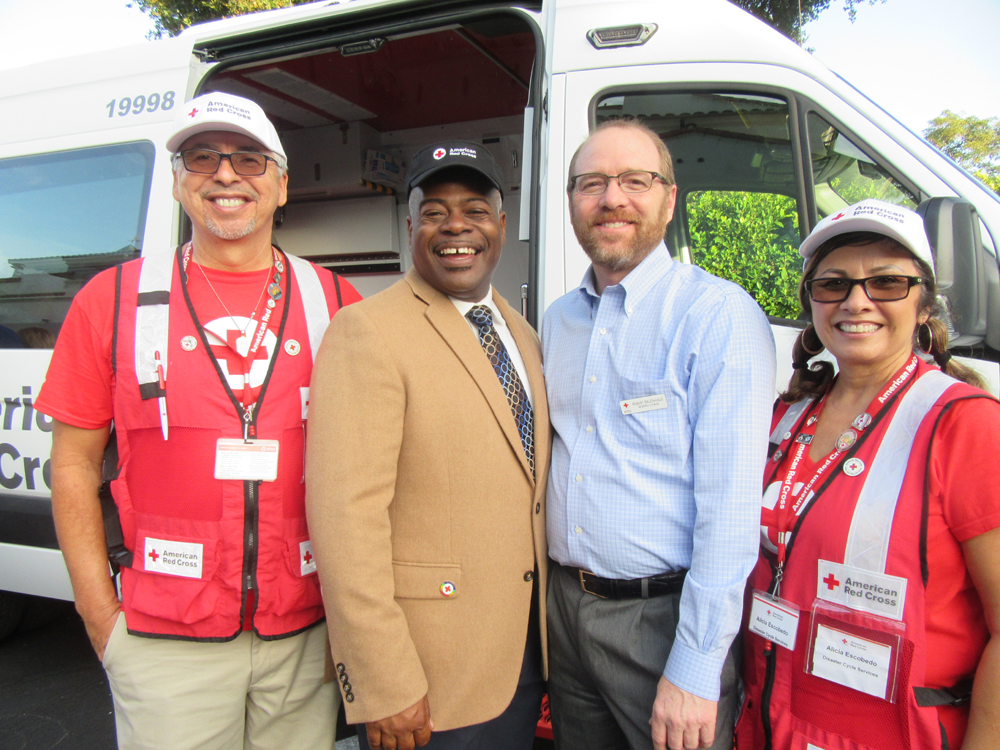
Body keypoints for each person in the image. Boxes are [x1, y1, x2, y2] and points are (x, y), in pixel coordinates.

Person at [36, 91, 362, 750]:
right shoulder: (114, 300)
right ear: (181, 182)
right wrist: (97, 612)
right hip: (165, 639)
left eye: (248, 159)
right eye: (202, 158)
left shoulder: (334, 301)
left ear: (281, 185)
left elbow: (370, 469)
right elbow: (70, 466)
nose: (225, 175)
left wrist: (355, 623)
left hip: (302, 635)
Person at [542, 117, 776, 750]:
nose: (611, 198)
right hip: (565, 611)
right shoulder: (558, 321)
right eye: (591, 183)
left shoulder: (718, 316)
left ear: (669, 200)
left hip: (661, 620)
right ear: (571, 204)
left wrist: (696, 667)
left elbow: (730, 513)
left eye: (635, 180)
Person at [306, 141, 548, 750]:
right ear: (410, 225)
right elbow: (345, 520)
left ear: (500, 223)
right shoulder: (368, 330)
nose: (456, 226)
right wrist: (381, 680)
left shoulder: (521, 332)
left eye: (474, 208)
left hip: (519, 659)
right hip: (426, 678)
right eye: (435, 211)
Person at [738, 199, 1000, 750]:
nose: (856, 301)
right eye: (833, 284)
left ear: (924, 306)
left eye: (886, 282)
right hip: (770, 722)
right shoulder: (787, 416)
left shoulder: (966, 424)